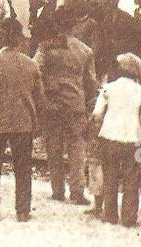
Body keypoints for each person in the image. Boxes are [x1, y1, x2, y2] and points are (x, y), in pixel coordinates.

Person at [0, 19, 44, 222]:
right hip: (24, 122)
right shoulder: (31, 64)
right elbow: (40, 97)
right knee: (23, 167)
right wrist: (37, 123)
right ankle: (23, 211)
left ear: (1, 36)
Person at [32, 10, 96, 205]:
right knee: (77, 148)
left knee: (54, 147)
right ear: (74, 26)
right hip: (76, 103)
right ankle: (77, 191)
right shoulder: (85, 50)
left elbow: (34, 69)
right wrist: (88, 104)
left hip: (52, 103)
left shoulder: (46, 48)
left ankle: (57, 190)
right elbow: (91, 81)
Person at [91, 53, 141, 227]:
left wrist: (103, 122)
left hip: (109, 136)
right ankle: (128, 218)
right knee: (131, 179)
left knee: (110, 176)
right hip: (134, 138)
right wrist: (137, 122)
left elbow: (96, 115)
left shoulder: (107, 88)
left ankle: (109, 215)